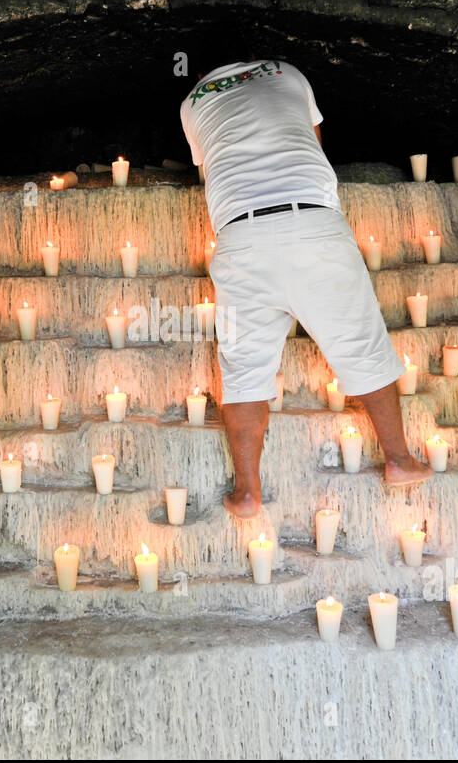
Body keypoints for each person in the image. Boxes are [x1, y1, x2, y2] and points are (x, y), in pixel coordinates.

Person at [180, 55, 433, 519]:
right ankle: (398, 459)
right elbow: (314, 144)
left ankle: (248, 492)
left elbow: (214, 165)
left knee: (244, 370)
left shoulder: (193, 101)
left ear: (200, 74)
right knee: (361, 346)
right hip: (311, 222)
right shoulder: (286, 71)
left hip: (240, 236)